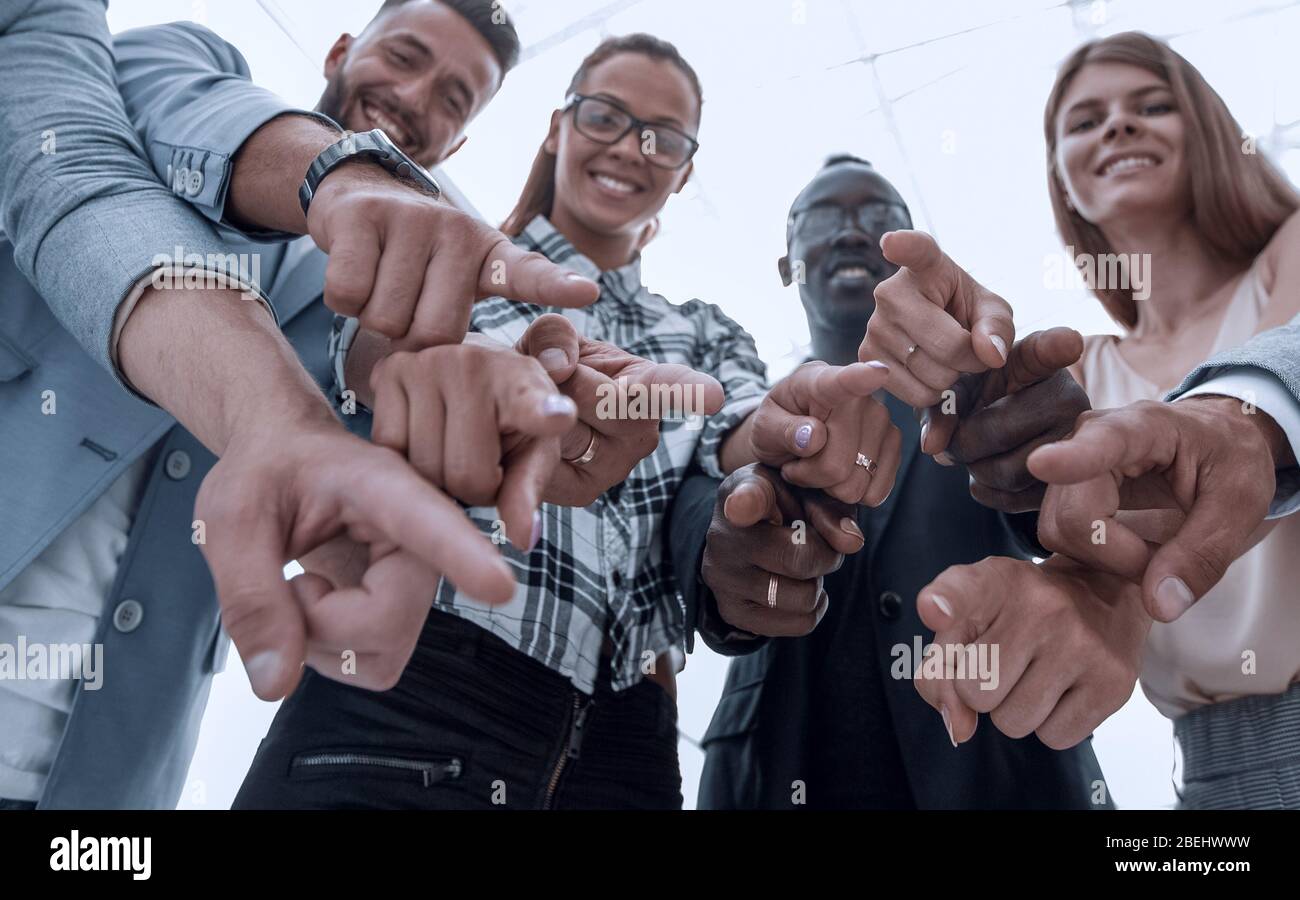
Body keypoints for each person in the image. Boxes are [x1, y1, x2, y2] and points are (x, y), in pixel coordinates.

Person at [233, 35, 902, 810]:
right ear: (557, 127)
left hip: (628, 740)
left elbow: (740, 429)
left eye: (664, 138)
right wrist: (457, 368)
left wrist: (794, 421)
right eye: (605, 116)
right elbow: (371, 350)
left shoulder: (702, 330)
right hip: (412, 689)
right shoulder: (461, 246)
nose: (630, 148)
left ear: (684, 172)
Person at [0, 0, 605, 810]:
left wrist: (484, 383)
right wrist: (343, 176)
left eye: (455, 97)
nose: (416, 94)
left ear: (459, 142)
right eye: (406, 55)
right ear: (340, 49)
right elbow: (165, 116)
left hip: (102, 787)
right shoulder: (167, 69)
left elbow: (381, 378)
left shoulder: (384, 287)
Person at [867, 32, 1300, 809]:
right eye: (1085, 120)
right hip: (1213, 782)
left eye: (1152, 106)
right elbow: (1092, 531)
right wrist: (954, 376)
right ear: (1064, 183)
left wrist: (1120, 586)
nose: (1117, 127)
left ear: (1209, 130)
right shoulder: (1085, 371)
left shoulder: (1293, 250)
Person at [672, 155, 1111, 809]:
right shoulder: (736, 420)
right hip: (781, 766)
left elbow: (1058, 520)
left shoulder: (985, 400)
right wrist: (714, 557)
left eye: (879, 218)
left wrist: (1043, 452)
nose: (853, 233)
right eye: (823, 217)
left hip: (995, 767)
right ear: (785, 264)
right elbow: (684, 528)